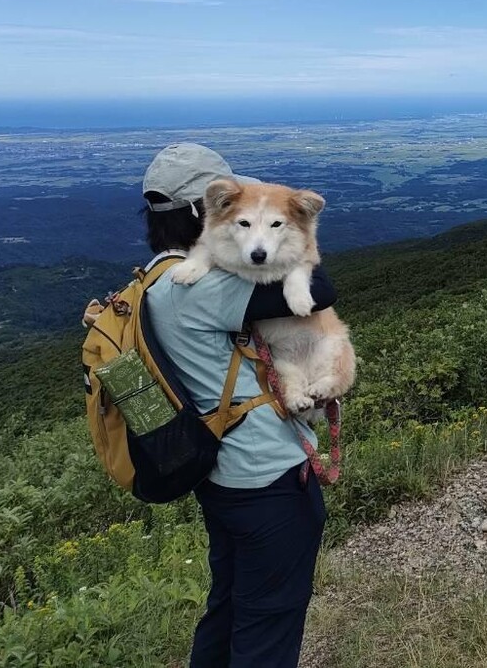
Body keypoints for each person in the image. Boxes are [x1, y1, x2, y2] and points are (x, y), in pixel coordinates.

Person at [139, 143, 337, 668]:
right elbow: (320, 289)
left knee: (228, 607)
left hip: (222, 479)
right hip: (266, 477)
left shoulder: (155, 278)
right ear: (201, 212)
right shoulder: (203, 289)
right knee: (269, 622)